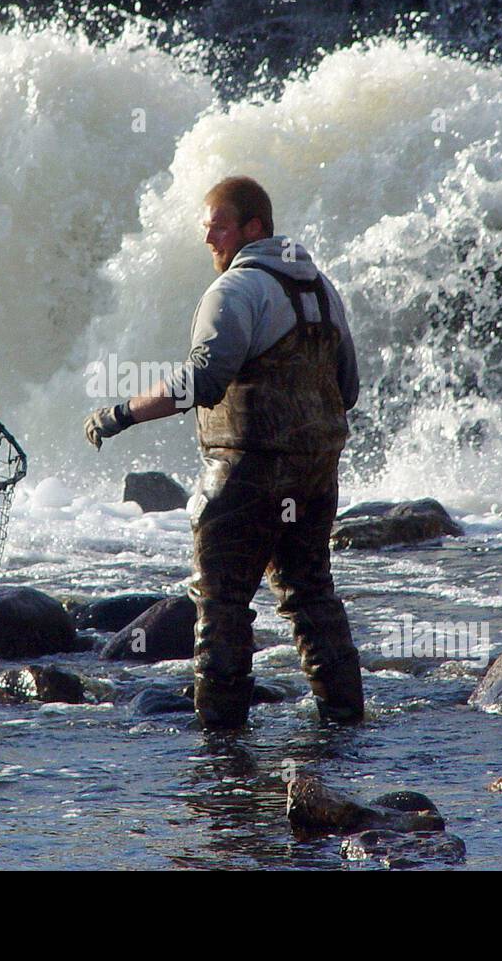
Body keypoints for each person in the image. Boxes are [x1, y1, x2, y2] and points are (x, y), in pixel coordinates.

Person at [84, 176, 364, 729]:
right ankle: (345, 722)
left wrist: (121, 414)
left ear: (253, 228)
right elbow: (348, 389)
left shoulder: (235, 290)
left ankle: (220, 741)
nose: (209, 238)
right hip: (315, 475)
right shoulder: (322, 291)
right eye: (206, 226)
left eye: (219, 225)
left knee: (220, 606)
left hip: (244, 472)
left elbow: (201, 381)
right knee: (311, 597)